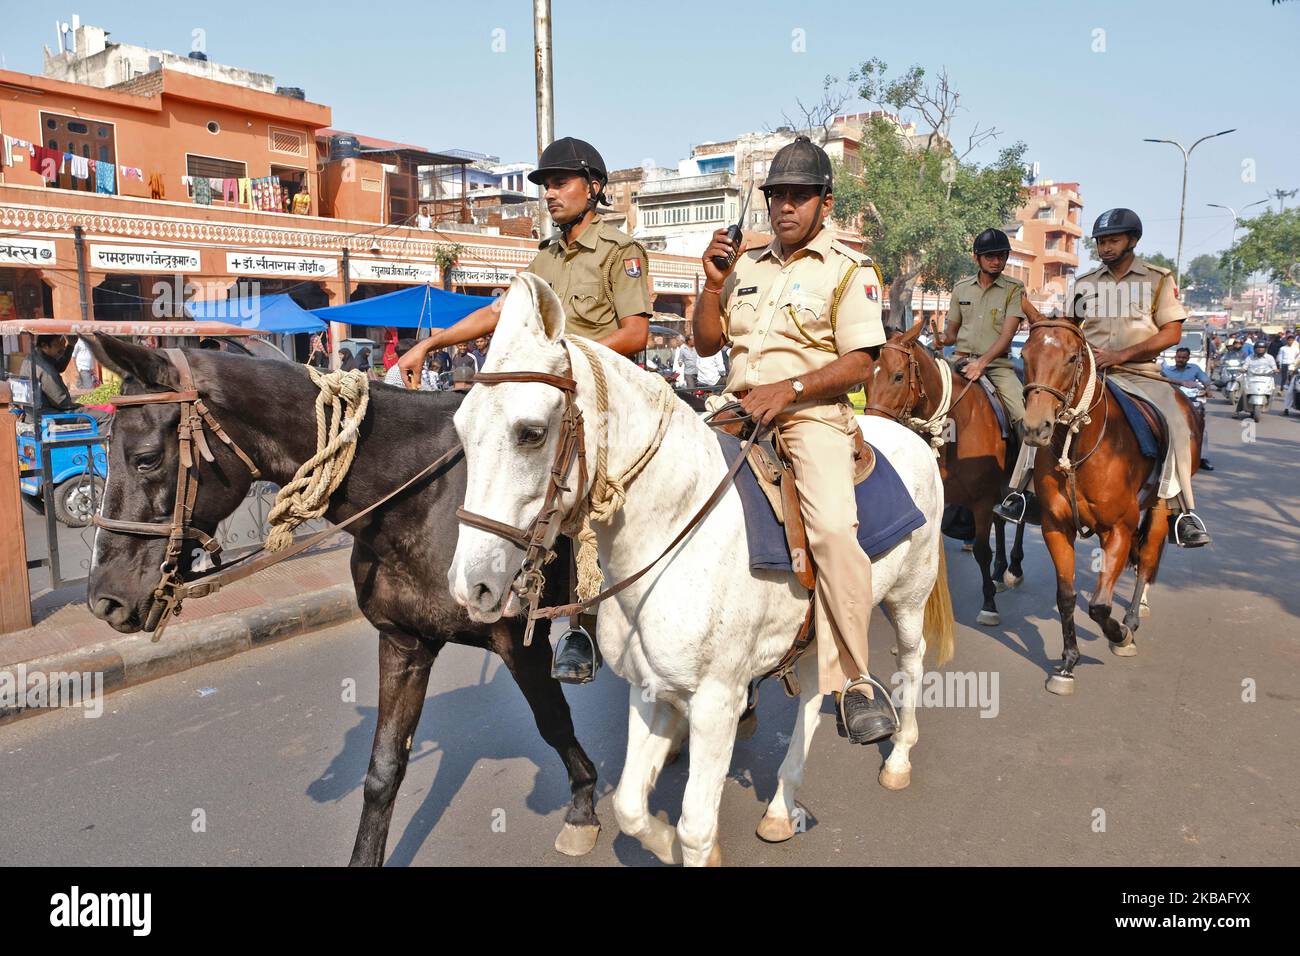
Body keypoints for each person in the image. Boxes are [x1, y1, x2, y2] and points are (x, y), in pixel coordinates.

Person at [398, 137, 652, 684]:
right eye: (545, 185)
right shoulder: (543, 259)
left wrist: (574, 363)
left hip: (603, 404)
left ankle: (579, 626)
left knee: (584, 502)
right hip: (550, 405)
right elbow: (495, 313)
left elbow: (636, 332)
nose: (550, 194)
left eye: (561, 182)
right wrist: (428, 345)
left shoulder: (620, 251)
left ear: (595, 188)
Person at [693, 135, 896, 745]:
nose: (784, 205)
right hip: (736, 408)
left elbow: (862, 362)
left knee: (833, 529)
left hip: (809, 414)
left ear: (825, 202)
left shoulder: (850, 269)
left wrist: (792, 387)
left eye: (798, 195)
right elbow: (706, 344)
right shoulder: (746, 265)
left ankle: (857, 679)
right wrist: (710, 284)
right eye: (776, 194)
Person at [996, 208, 1211, 547]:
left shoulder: (1157, 280)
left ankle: (1182, 510)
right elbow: (1068, 328)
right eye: (1101, 242)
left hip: (1140, 373)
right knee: (1038, 415)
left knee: (1179, 424)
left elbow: (1171, 333)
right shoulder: (1085, 284)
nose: (1106, 247)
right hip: (1090, 375)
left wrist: (1122, 355)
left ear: (1133, 241)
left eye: (1113, 240)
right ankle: (1021, 492)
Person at [940, 228, 1034, 432]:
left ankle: (1026, 464)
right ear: (976, 258)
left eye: (1001, 256)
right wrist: (941, 339)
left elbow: (1008, 334)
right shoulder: (961, 288)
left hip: (997, 366)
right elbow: (951, 335)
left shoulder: (1015, 288)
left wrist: (981, 363)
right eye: (990, 256)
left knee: (1023, 415)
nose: (996, 261)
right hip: (958, 361)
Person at [19, 336, 108, 424]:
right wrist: (80, 406)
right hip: (50, 416)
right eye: (57, 344)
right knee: (104, 416)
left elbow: (59, 367)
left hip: (35, 414)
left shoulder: (32, 358)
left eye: (63, 343)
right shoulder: (45, 369)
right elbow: (62, 402)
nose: (62, 347)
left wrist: (71, 345)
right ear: (45, 346)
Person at [1161, 347, 1213, 470]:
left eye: (1184, 357)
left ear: (1188, 358)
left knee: (1200, 428)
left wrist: (1208, 389)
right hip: (1171, 403)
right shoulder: (1166, 371)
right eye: (1179, 357)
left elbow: (1205, 380)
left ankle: (1202, 458)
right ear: (1175, 358)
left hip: (1192, 402)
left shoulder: (1194, 368)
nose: (1181, 360)